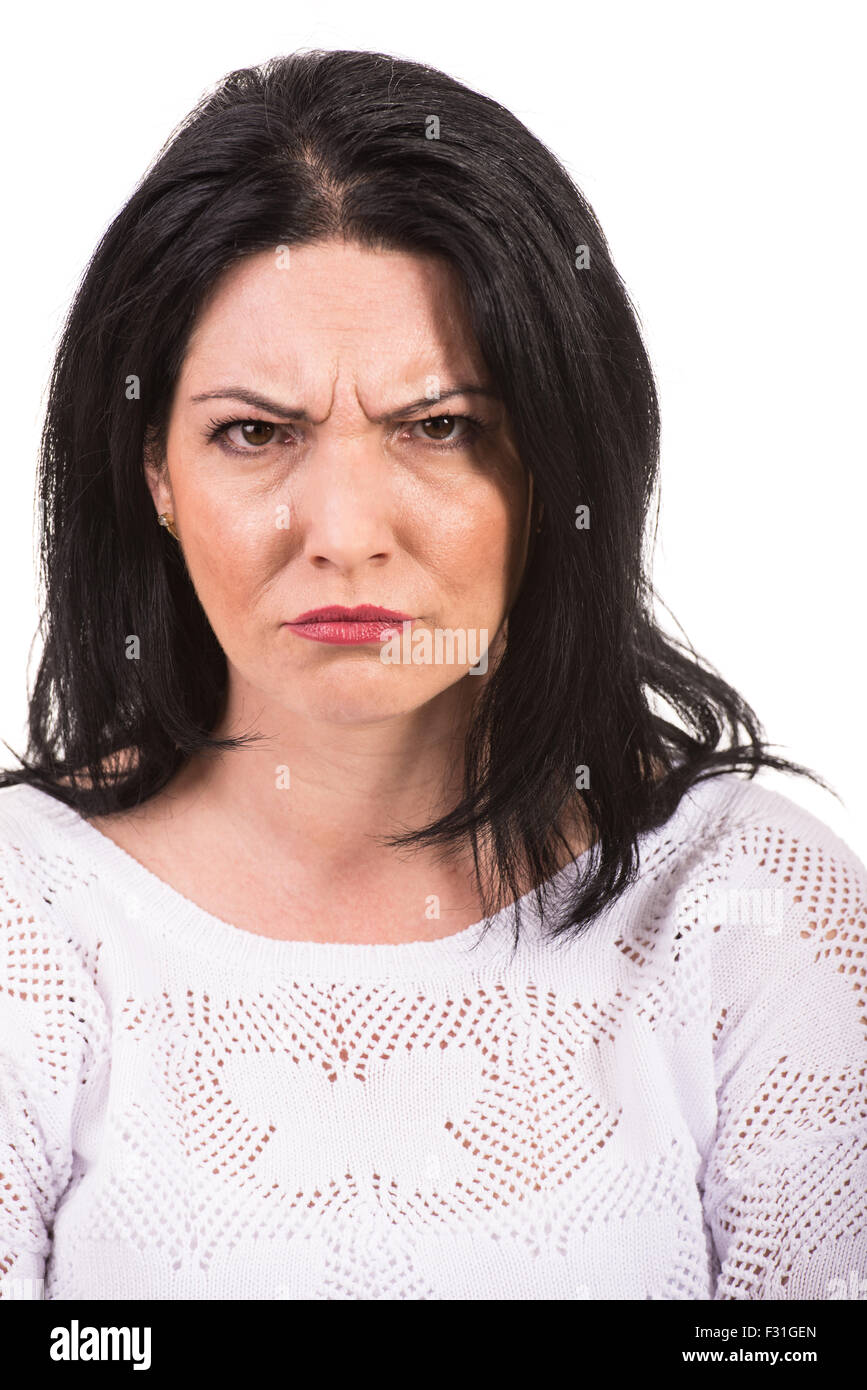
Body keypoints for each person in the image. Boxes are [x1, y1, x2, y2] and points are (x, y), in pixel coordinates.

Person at [0, 49, 864, 1302]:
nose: (344, 529)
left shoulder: (753, 910)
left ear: (557, 465)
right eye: (255, 432)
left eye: (440, 426)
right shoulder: (24, 911)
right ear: (155, 475)